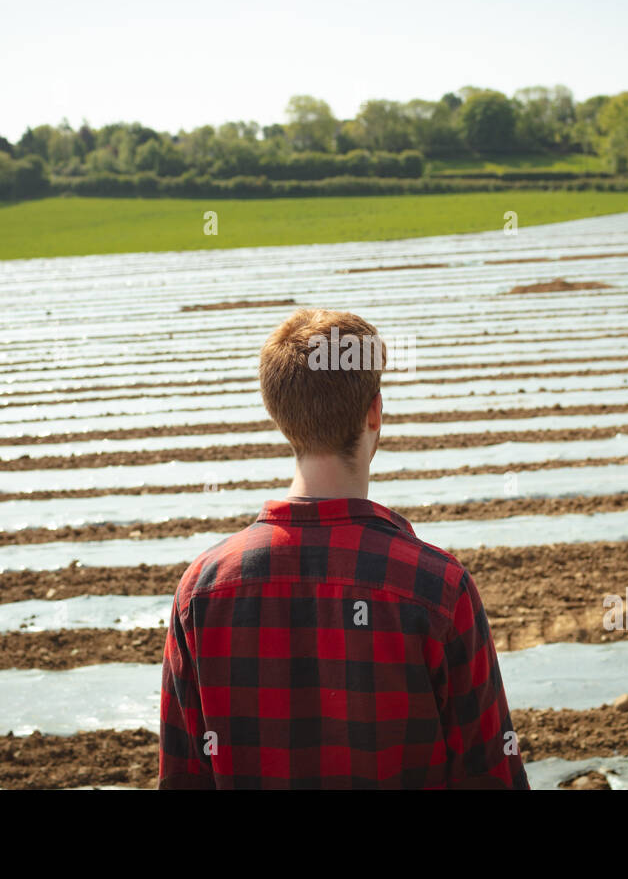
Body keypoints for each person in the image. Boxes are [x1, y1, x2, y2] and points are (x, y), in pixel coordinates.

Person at [158, 308, 528, 789]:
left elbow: (182, 779)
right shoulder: (438, 588)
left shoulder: (202, 590)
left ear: (278, 414)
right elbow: (492, 777)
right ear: (374, 412)